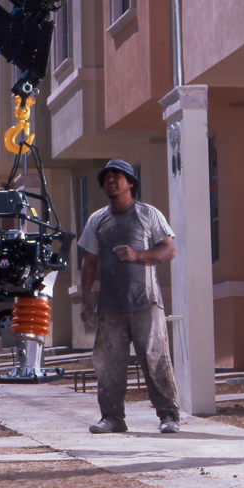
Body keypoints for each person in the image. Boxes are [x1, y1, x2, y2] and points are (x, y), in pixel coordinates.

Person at [78, 158, 182, 435]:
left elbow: (169, 250)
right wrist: (85, 299)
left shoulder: (148, 214)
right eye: (106, 177)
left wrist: (138, 255)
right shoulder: (96, 220)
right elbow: (89, 262)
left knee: (155, 359)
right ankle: (112, 418)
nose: (110, 180)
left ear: (130, 182)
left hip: (146, 303)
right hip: (110, 307)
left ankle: (169, 416)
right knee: (108, 364)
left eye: (117, 176)